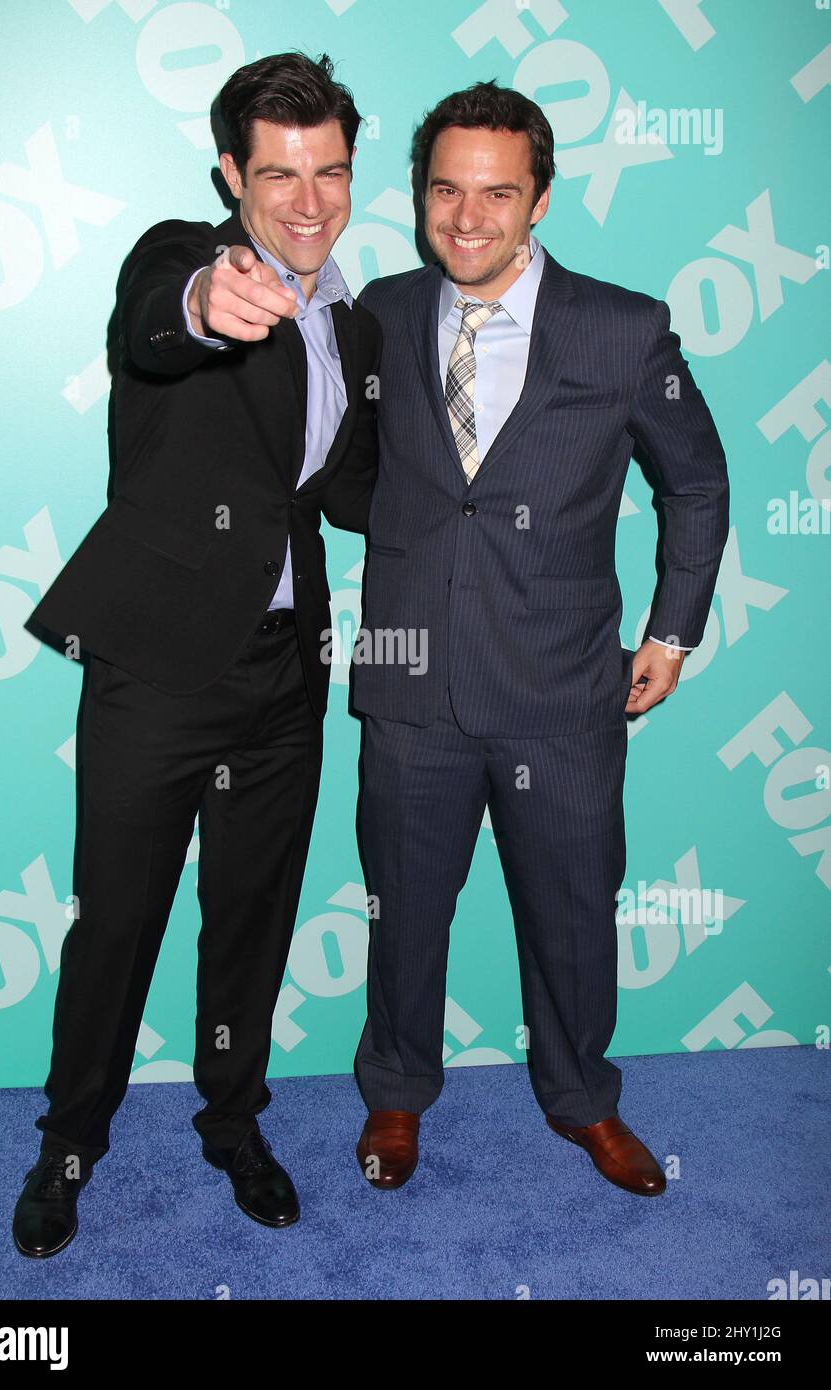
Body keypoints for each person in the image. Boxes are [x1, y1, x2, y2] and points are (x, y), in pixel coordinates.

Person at [14, 51, 380, 1256]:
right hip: (160, 673)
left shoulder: (354, 321)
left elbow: (358, 492)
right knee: (116, 923)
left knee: (252, 920)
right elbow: (156, 322)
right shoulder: (183, 256)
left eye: (329, 170)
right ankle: (69, 1144)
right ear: (232, 174)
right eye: (277, 174)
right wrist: (203, 300)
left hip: (284, 674)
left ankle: (232, 1123)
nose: (308, 201)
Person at [351, 81, 729, 1195]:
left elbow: (695, 481)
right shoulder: (373, 310)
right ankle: (394, 1094)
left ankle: (581, 1101)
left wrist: (673, 630)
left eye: (496, 194)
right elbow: (345, 471)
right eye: (444, 192)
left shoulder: (622, 328)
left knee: (571, 914)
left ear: (541, 199)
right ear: (420, 193)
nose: (467, 219)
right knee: (402, 913)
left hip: (563, 691)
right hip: (405, 677)